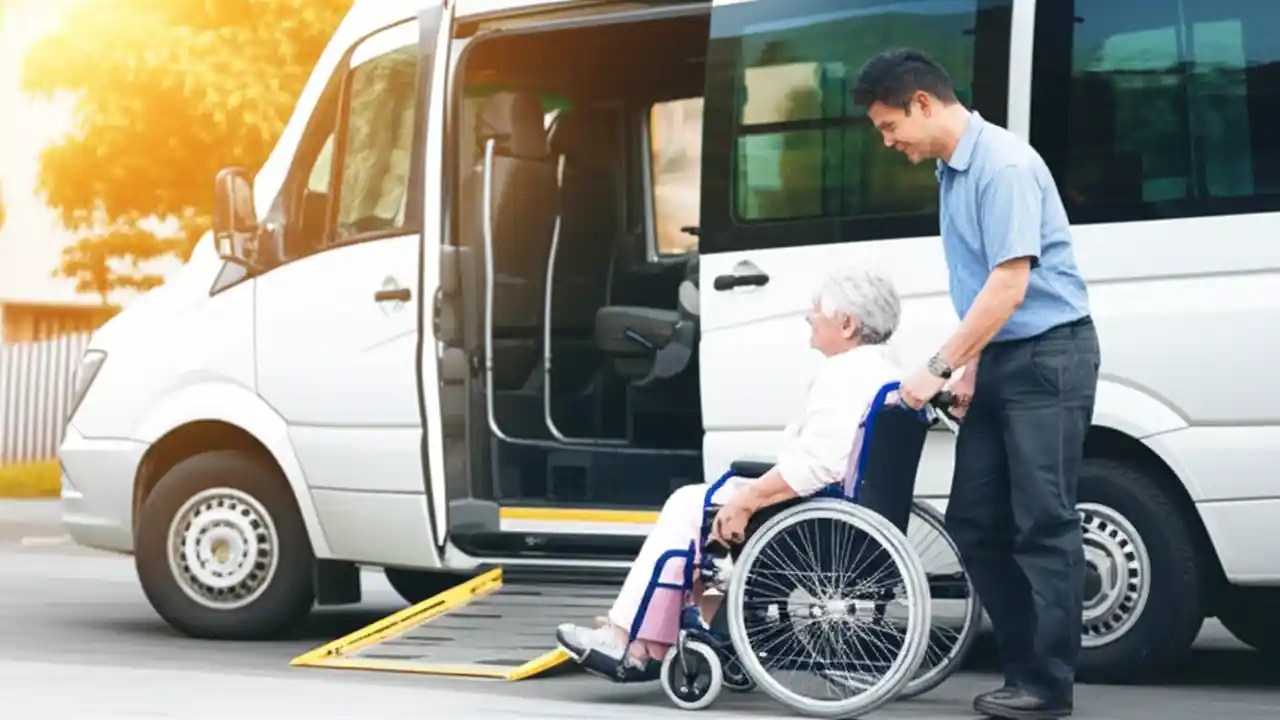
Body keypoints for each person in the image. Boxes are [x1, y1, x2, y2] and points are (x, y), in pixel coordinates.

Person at [852, 48, 1101, 719]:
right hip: (1005, 358)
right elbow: (985, 292)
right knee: (974, 519)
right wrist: (970, 366)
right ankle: (1024, 670)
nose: (887, 141)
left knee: (1044, 523)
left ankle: (1048, 687)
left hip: (1050, 358)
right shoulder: (950, 172)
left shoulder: (1004, 166)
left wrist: (934, 366)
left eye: (887, 126)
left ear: (923, 105)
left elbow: (1010, 285)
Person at [555, 265, 904, 680]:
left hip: (815, 522)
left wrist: (747, 500)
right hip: (844, 513)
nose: (809, 318)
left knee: (687, 505)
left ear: (846, 324)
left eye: (816, 310)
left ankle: (631, 641)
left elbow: (818, 463)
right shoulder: (884, 369)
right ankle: (663, 632)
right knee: (701, 501)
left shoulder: (844, 375)